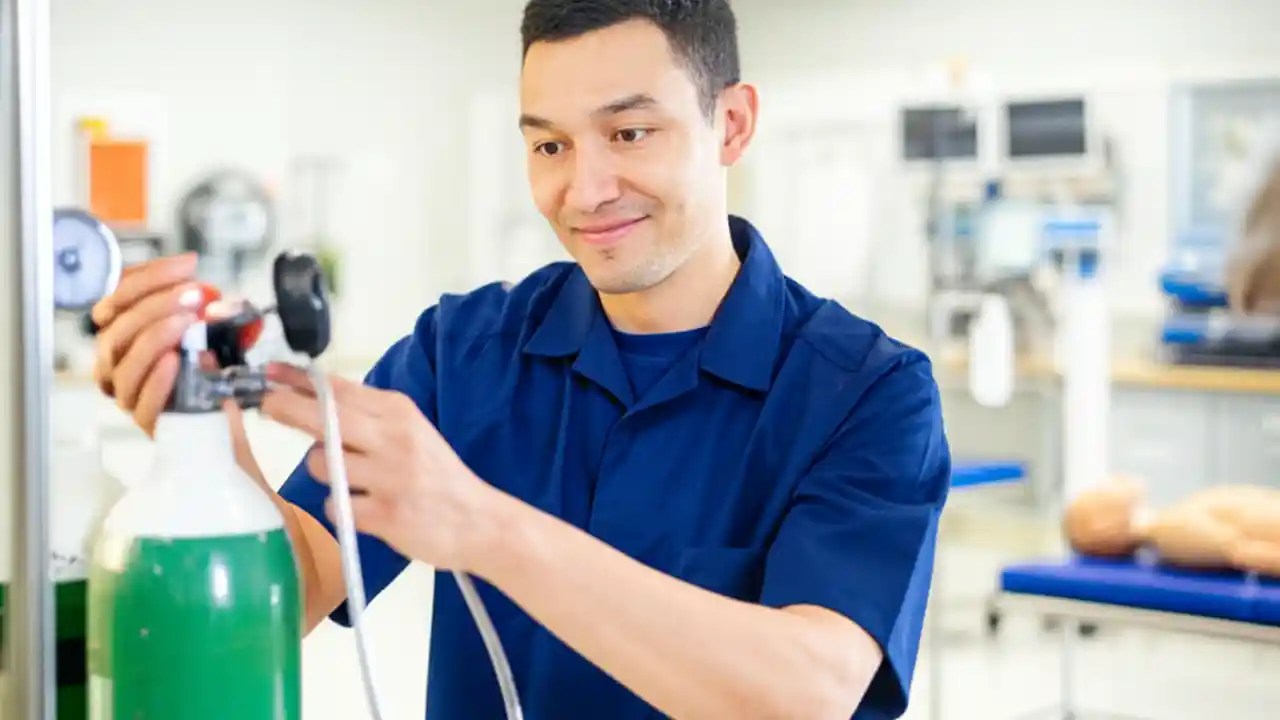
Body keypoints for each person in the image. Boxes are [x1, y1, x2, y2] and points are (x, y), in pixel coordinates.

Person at [88, 1, 951, 718]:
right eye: (549, 146)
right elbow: (300, 585)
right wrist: (206, 436)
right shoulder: (463, 352)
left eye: (630, 133)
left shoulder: (867, 391)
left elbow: (806, 694)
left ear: (730, 124)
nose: (583, 190)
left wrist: (485, 527)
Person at [1063, 476, 1280, 576]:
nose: (1110, 481)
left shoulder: (1171, 522)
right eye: (1100, 492)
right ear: (1103, 525)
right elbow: (1244, 553)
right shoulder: (1170, 532)